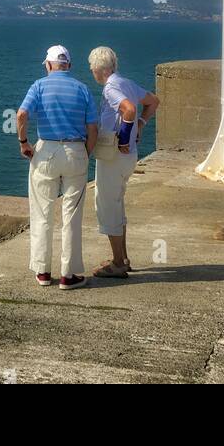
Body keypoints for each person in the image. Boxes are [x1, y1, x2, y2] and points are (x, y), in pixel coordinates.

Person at [16, 45, 97, 290]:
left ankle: (42, 271)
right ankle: (68, 275)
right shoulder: (83, 89)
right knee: (71, 217)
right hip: (75, 150)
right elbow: (92, 128)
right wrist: (85, 152)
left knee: (42, 213)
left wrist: (23, 143)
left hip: (46, 151)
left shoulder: (39, 86)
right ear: (69, 66)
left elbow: (21, 115)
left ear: (49, 65)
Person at [87, 46, 160, 279]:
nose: (92, 73)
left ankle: (118, 263)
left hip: (114, 156)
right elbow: (153, 101)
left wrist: (124, 138)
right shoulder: (127, 82)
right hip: (129, 158)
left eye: (92, 69)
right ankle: (123, 258)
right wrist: (141, 123)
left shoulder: (110, 88)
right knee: (117, 205)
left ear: (100, 69)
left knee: (107, 206)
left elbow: (127, 108)